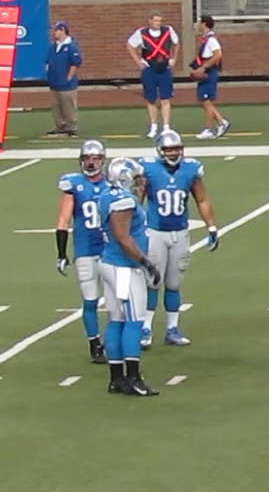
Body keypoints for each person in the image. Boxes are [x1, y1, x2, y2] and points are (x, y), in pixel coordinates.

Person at [138, 131, 217, 349]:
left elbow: (202, 199)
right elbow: (137, 200)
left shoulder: (191, 170)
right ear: (160, 151)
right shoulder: (148, 169)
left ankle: (172, 329)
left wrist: (211, 226)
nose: (173, 153)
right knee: (152, 281)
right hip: (155, 232)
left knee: (174, 283)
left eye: (176, 149)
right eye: (169, 149)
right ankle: (145, 328)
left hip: (180, 232)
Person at [98, 157, 163, 396]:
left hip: (111, 263)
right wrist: (146, 262)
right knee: (134, 320)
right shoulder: (123, 201)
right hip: (123, 267)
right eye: (135, 179)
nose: (139, 183)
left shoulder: (108, 195)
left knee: (116, 320)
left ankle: (117, 378)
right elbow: (123, 238)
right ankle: (133, 378)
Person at [55, 140, 109, 364]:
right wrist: (61, 253)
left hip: (110, 250)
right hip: (85, 250)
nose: (91, 163)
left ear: (103, 160)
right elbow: (63, 220)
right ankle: (94, 344)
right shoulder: (74, 185)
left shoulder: (113, 184)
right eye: (87, 158)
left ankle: (114, 340)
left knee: (117, 299)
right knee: (90, 300)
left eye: (95, 158)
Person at [125, 13, 180, 139]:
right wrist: (138, 61)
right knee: (151, 99)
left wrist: (174, 58)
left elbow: (176, 43)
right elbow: (129, 45)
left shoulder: (168, 30)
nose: (158, 23)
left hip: (164, 68)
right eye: (156, 21)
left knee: (165, 98)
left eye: (160, 21)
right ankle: (153, 126)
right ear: (150, 21)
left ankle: (166, 127)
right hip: (149, 69)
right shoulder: (141, 32)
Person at [191, 14, 230, 139]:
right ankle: (221, 122)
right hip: (208, 72)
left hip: (209, 72)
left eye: (199, 22)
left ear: (204, 24)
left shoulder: (211, 40)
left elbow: (218, 55)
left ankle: (210, 129)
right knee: (204, 100)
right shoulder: (206, 39)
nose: (198, 25)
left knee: (206, 100)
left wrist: (204, 67)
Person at [44, 21, 81, 137]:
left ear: (62, 31)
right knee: (56, 107)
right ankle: (60, 127)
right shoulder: (53, 47)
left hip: (66, 84)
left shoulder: (72, 47)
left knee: (68, 106)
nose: (54, 32)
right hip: (54, 83)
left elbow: (75, 64)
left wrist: (69, 78)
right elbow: (48, 61)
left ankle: (71, 128)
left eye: (56, 30)